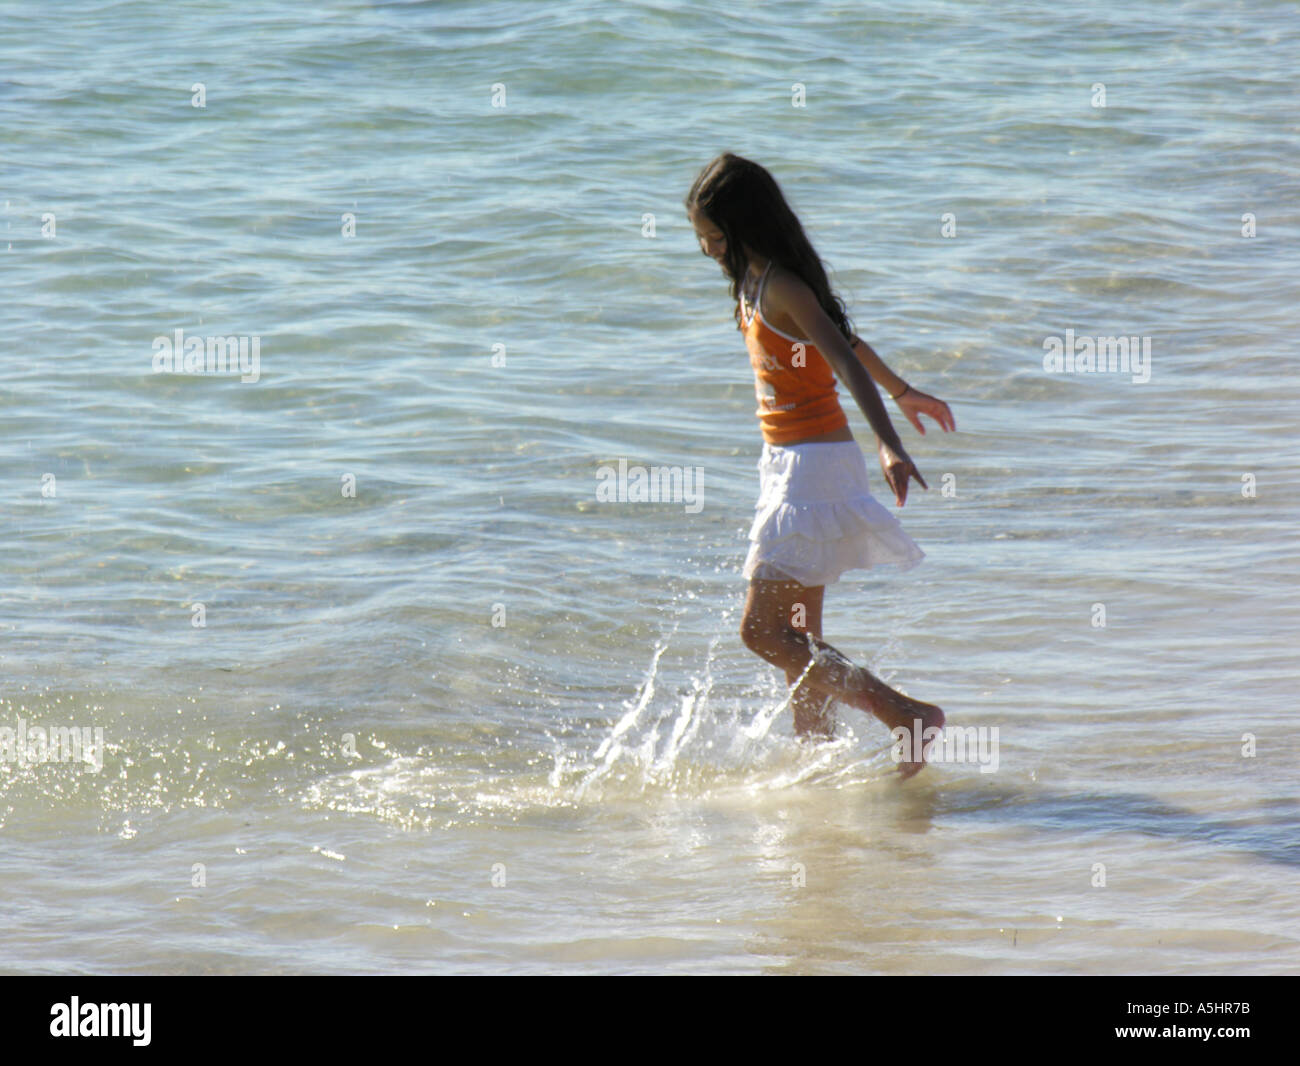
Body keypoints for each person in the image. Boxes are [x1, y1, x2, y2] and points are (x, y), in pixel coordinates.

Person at [684, 152, 956, 777]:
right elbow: (847, 337)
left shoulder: (781, 285)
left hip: (812, 467)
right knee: (799, 635)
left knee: (761, 632)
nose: (706, 249)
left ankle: (904, 716)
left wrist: (889, 439)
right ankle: (818, 767)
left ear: (744, 224)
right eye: (701, 239)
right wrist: (904, 389)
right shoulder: (758, 281)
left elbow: (842, 360)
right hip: (788, 461)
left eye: (713, 237)